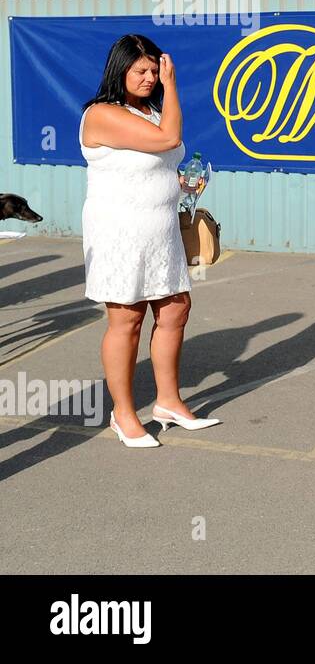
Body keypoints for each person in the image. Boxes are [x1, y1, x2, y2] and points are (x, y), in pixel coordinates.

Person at [80, 34, 217, 448]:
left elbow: (160, 159)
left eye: (155, 71)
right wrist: (175, 84)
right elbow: (168, 140)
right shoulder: (101, 113)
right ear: (118, 70)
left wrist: (182, 184)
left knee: (175, 307)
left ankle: (168, 402)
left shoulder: (155, 110)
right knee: (128, 317)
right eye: (141, 70)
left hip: (161, 228)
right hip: (120, 229)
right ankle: (123, 414)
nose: (150, 77)